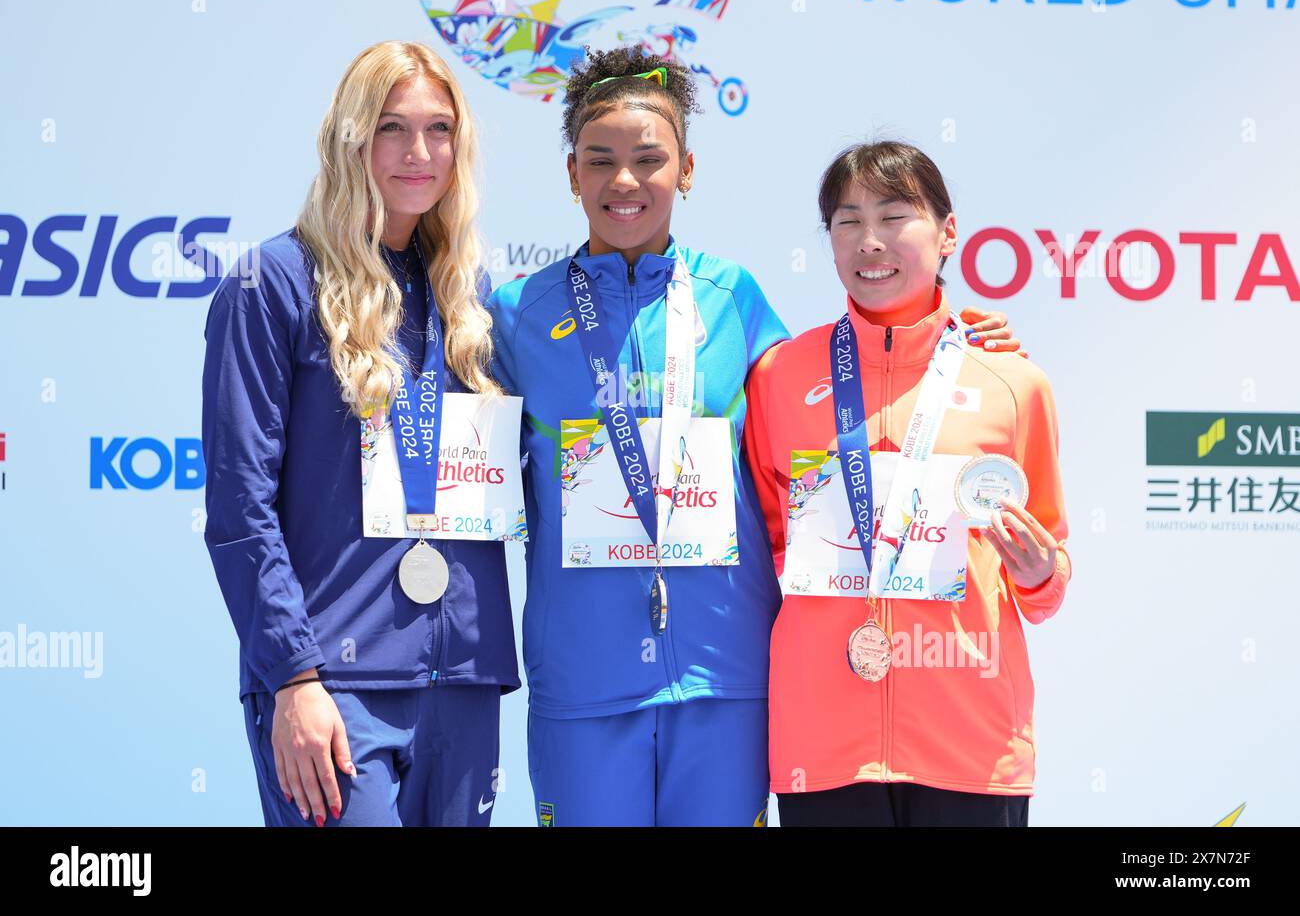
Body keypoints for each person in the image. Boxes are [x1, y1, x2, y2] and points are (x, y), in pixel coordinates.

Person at [487, 48, 1021, 826]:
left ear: (688, 168)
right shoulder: (518, 313)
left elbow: (837, 396)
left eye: (650, 159)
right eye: (600, 161)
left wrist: (947, 332)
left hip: (726, 676)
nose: (625, 182)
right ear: (572, 174)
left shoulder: (733, 299)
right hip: (583, 678)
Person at [201, 40, 518, 827]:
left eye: (439, 129)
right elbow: (240, 506)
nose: (419, 152)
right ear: (349, 138)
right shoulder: (271, 282)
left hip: (463, 680)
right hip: (332, 684)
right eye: (390, 128)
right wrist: (293, 678)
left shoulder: (470, 296)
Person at [744, 140, 1070, 826]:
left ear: (948, 233)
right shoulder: (781, 377)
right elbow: (769, 550)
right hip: (823, 745)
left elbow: (1046, 582)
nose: (871, 242)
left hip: (970, 745)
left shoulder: (1012, 384)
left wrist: (1040, 572)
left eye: (895, 217)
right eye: (847, 221)